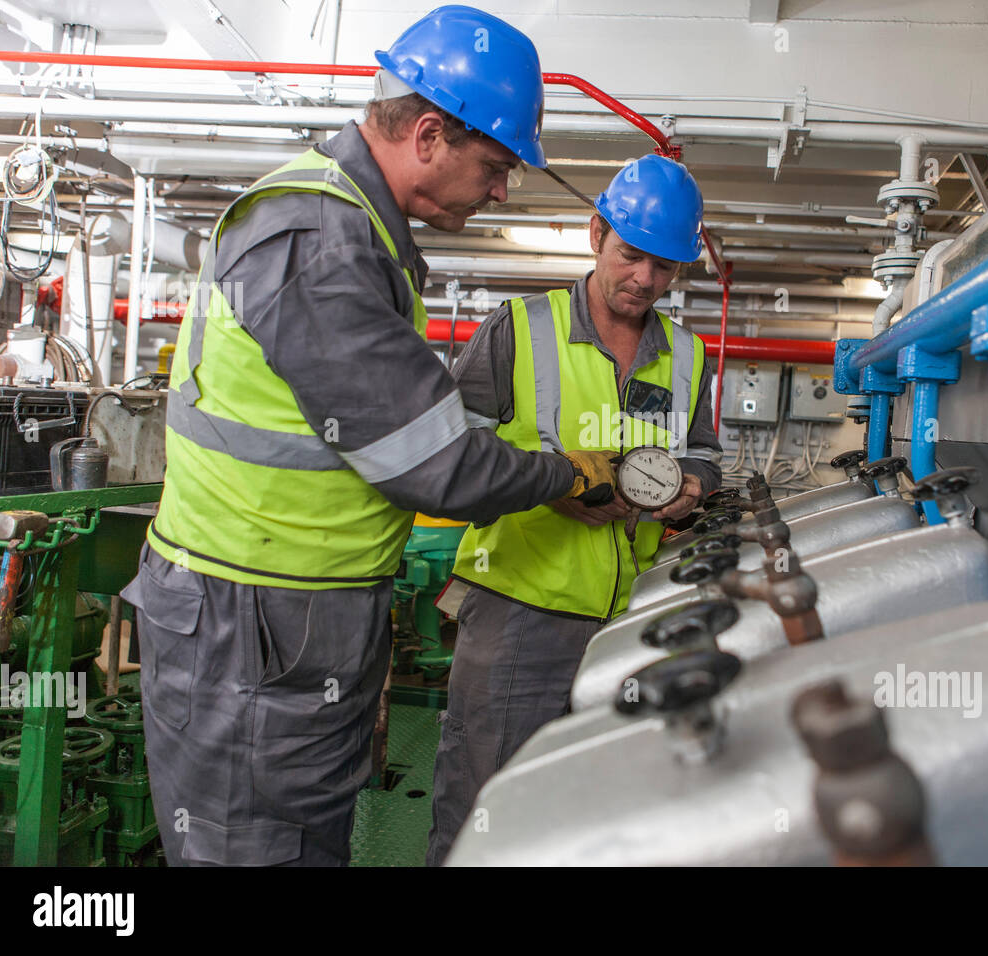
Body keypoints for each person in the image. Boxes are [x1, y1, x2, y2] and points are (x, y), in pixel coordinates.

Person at [121, 6, 618, 867]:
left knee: (304, 838)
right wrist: (566, 478)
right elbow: (434, 465)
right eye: (497, 166)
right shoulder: (318, 240)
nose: (501, 190)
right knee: (260, 847)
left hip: (292, 617)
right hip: (253, 624)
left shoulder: (354, 229)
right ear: (429, 134)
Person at [426, 154, 724, 865]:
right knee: (488, 801)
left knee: (603, 808)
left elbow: (708, 453)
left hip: (635, 616)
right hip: (520, 608)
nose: (645, 280)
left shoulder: (686, 355)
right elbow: (452, 452)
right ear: (597, 233)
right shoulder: (519, 329)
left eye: (665, 267)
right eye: (631, 255)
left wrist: (692, 485)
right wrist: (550, 484)